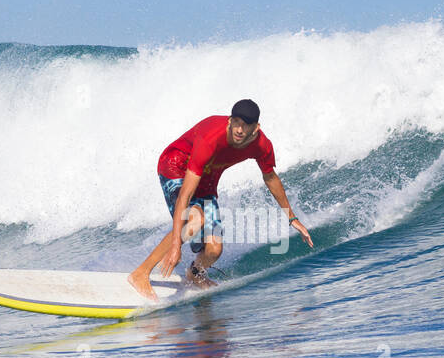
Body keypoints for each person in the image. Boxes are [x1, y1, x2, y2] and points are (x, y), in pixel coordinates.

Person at [128, 99, 313, 300]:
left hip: (207, 177)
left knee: (214, 249)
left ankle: (195, 274)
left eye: (246, 125)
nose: (240, 130)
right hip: (177, 166)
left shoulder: (262, 145)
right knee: (195, 220)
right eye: (236, 122)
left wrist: (291, 217)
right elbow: (185, 194)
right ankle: (140, 273)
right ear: (229, 121)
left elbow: (270, 177)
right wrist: (175, 246)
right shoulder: (210, 139)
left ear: (256, 128)